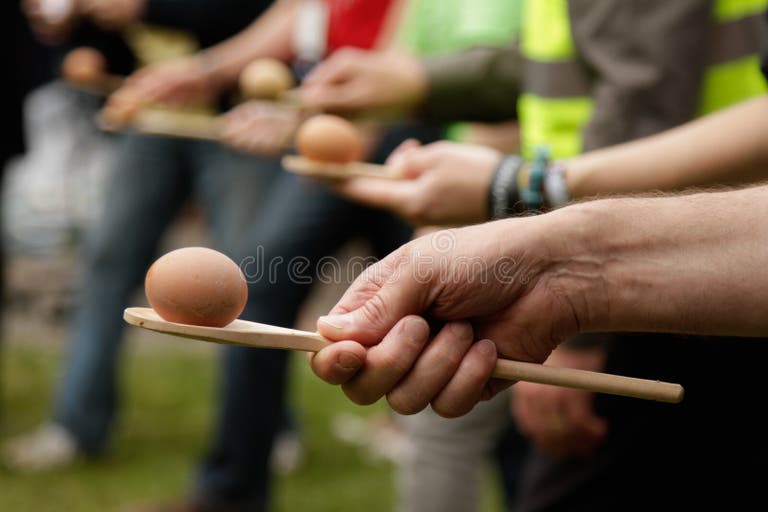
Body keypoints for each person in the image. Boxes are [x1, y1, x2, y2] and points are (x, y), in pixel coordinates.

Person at [295, 1, 768, 509]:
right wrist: (419, 81)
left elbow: (641, 99)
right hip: (687, 264)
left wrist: (578, 312)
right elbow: (567, 54)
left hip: (687, 295)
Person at [2, 0, 278, 482]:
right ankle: (77, 425)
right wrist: (81, 42)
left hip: (235, 122)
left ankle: (266, 431)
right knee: (105, 262)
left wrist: (146, 6)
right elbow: (118, 37)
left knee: (249, 278)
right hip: (154, 121)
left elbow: (260, 15)